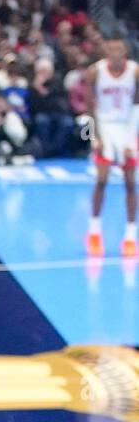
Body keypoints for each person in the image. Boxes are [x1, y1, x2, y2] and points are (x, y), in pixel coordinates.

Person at [84, 37, 139, 257]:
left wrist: (132, 138)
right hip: (104, 126)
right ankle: (94, 231)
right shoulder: (95, 72)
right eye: (111, 48)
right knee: (102, 180)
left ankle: (130, 236)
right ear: (105, 50)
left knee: (130, 183)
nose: (115, 52)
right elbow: (89, 107)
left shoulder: (135, 72)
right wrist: (94, 137)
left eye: (119, 48)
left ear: (125, 50)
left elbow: (137, 105)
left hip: (127, 126)